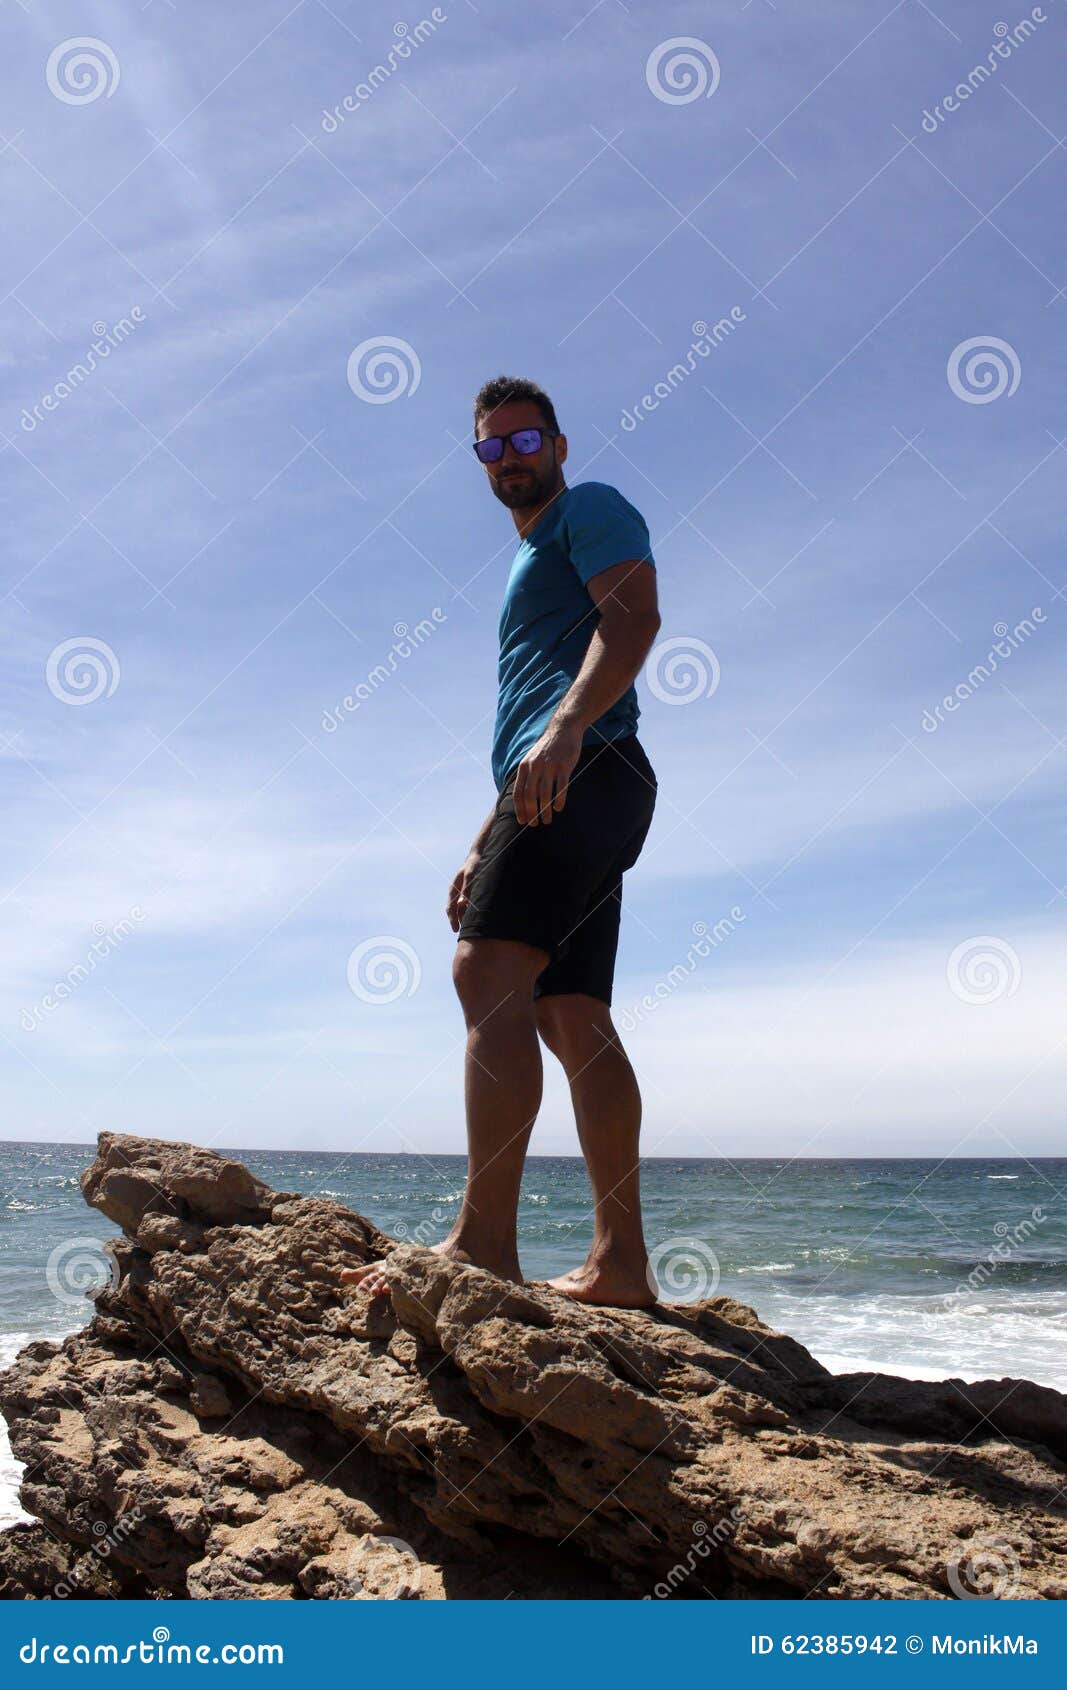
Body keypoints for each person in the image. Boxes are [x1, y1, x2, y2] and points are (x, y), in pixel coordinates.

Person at [344, 376, 661, 1306]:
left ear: (557, 444)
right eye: (491, 448)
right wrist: (484, 841)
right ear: (480, 463)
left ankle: (482, 1245)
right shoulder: (529, 559)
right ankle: (621, 1268)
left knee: (483, 974)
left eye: (524, 442)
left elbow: (634, 619)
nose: (510, 459)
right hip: (582, 778)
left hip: (589, 763)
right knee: (571, 1016)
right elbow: (526, 729)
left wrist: (566, 728)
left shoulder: (588, 509)